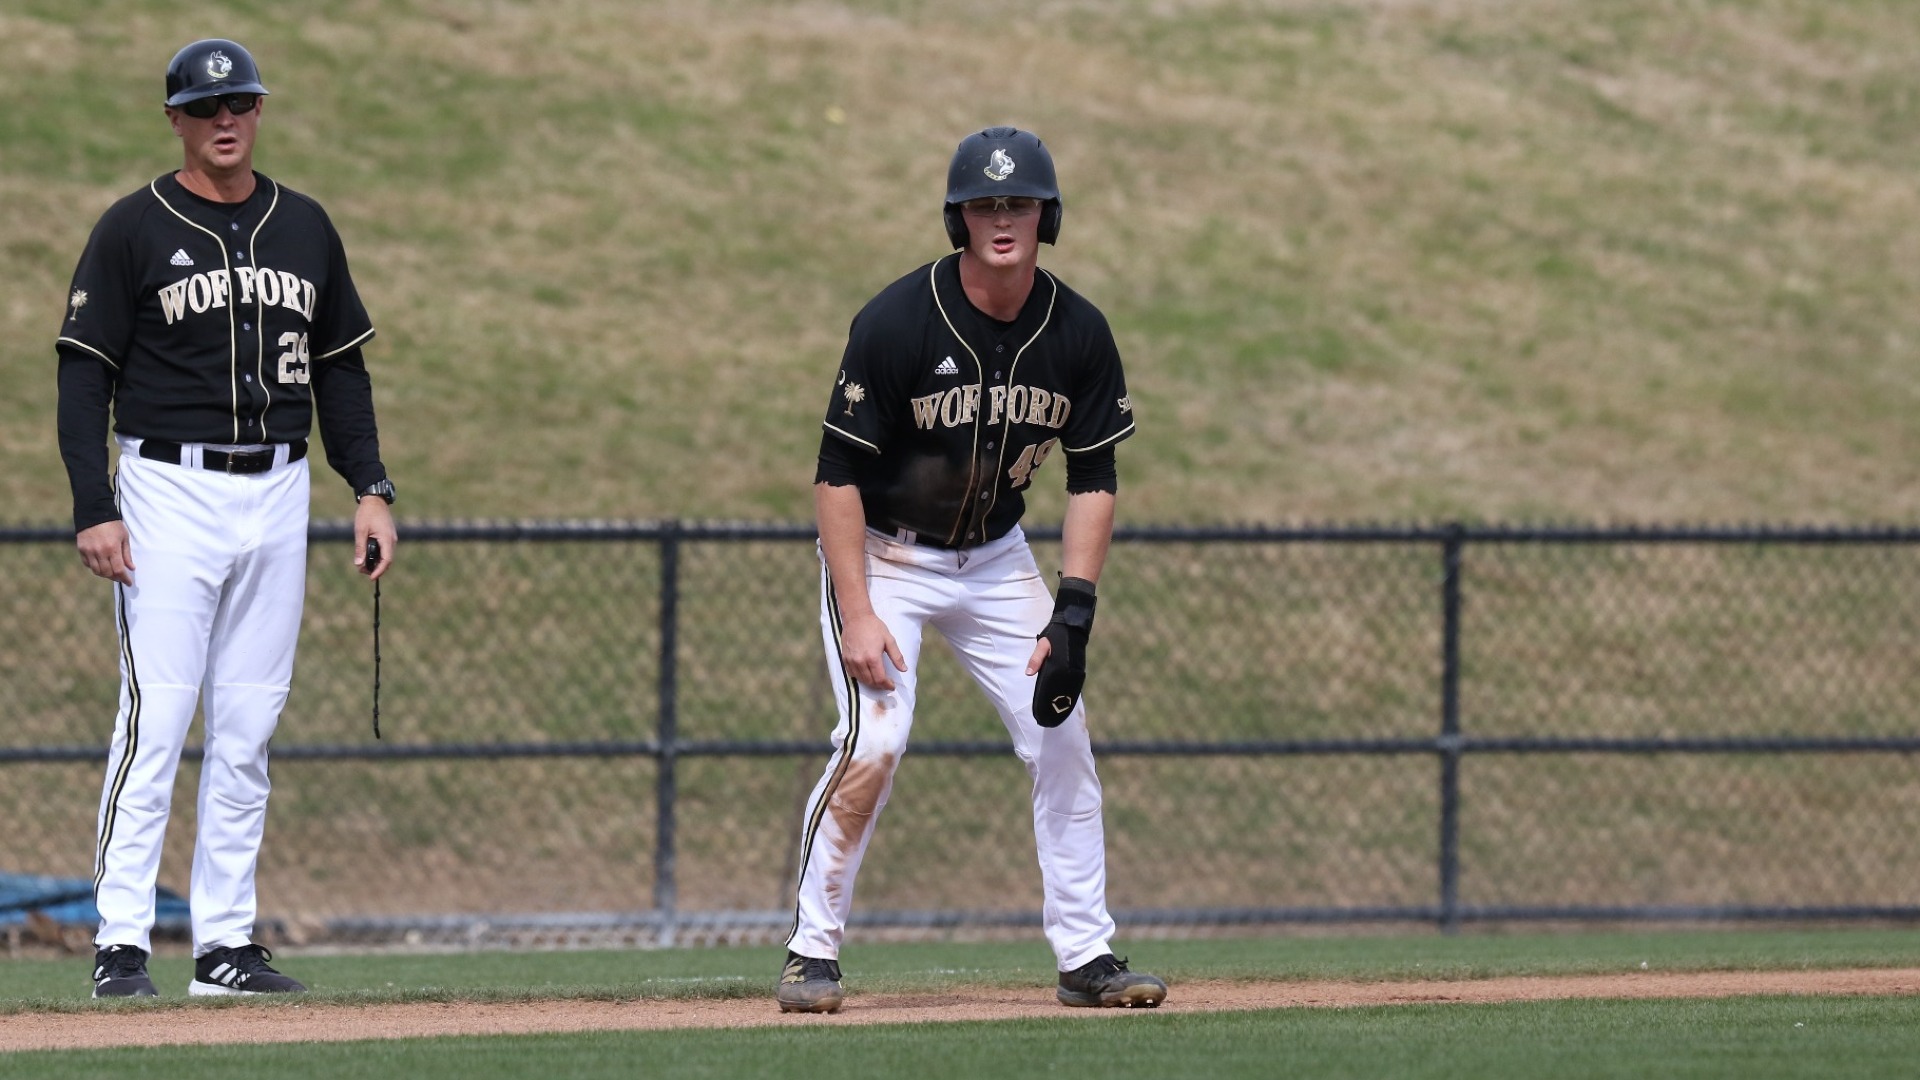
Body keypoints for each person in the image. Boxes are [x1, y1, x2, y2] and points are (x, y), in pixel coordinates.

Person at [777, 126, 1165, 1013]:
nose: (1003, 218)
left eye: (1018, 202)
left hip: (996, 562)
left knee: (1063, 737)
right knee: (874, 741)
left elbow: (1095, 474)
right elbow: (836, 477)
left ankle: (1087, 955)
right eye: (985, 204)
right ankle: (811, 950)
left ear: (1046, 216)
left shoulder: (1078, 332)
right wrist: (860, 610)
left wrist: (1072, 614)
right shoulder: (897, 321)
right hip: (886, 557)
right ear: (958, 218)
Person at [56, 38, 397, 998]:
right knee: (156, 719)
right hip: (167, 488)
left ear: (257, 111)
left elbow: (341, 369)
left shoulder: (305, 227)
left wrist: (369, 486)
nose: (224, 120)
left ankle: (225, 947)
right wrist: (97, 506)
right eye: (204, 107)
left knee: (247, 727)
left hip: (279, 489)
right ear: (174, 119)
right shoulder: (132, 228)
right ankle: (121, 942)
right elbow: (85, 376)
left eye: (239, 102)